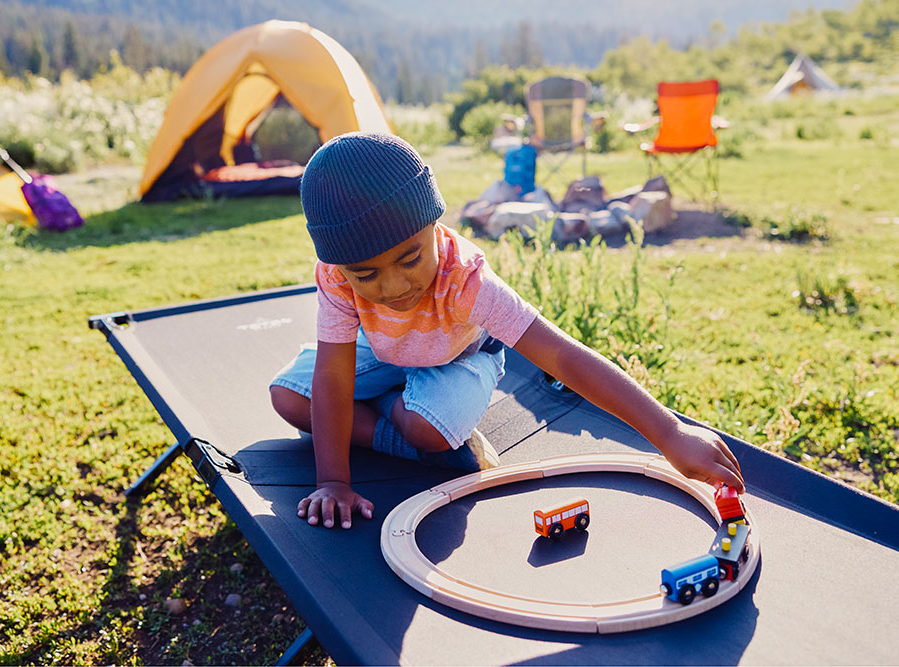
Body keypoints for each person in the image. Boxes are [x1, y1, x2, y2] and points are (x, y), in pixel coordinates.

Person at [269, 132, 744, 530]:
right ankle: (393, 415)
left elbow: (560, 355)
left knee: (428, 430)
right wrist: (332, 480)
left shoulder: (467, 281)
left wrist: (670, 433)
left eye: (410, 258)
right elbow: (333, 374)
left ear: (435, 225)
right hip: (378, 348)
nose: (394, 286)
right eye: (365, 275)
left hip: (457, 357)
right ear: (340, 265)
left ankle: (406, 420)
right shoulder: (334, 274)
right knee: (289, 398)